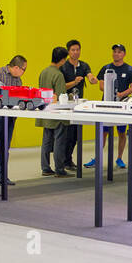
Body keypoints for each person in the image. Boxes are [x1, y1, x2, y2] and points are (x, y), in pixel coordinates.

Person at [0, 55, 28, 187]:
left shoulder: (18, 80)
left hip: (9, 118)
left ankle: (2, 177)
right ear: (15, 67)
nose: (24, 72)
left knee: (4, 148)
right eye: (23, 69)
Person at [100, 44, 132, 169]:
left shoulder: (129, 69)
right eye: (114, 52)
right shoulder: (106, 68)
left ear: (124, 54)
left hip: (122, 105)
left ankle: (119, 158)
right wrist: (110, 91)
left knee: (121, 132)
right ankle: (98, 158)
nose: (116, 54)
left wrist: (121, 94)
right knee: (103, 132)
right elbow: (101, 85)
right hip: (107, 104)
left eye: (119, 52)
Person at [60, 40, 95, 169]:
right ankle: (63, 160)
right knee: (66, 134)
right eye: (73, 50)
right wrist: (74, 82)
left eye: (78, 49)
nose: (76, 52)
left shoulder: (83, 65)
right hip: (65, 104)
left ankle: (69, 159)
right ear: (68, 52)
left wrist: (92, 79)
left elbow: (90, 75)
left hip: (79, 105)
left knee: (75, 135)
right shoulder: (63, 67)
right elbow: (61, 86)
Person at [38, 47, 71, 177]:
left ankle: (45, 168)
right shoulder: (58, 75)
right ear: (62, 60)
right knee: (59, 141)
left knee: (46, 141)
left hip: (44, 110)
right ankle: (59, 169)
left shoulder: (43, 72)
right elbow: (61, 96)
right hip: (56, 113)